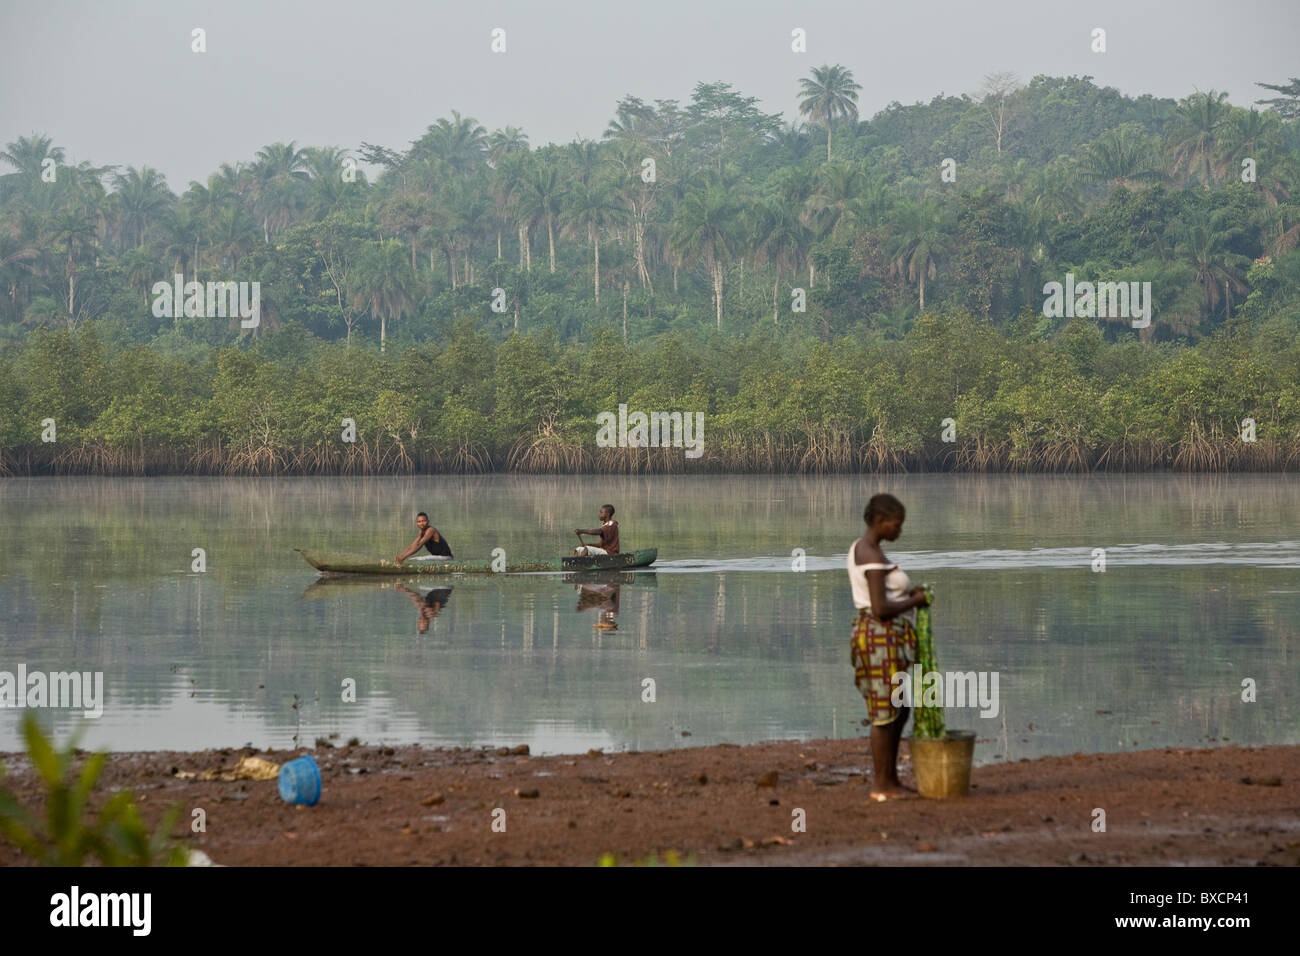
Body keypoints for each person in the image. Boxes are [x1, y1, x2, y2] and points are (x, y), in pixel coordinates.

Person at [848, 493, 929, 802]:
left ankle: (891, 779)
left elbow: (887, 598)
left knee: (900, 707)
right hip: (878, 637)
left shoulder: (871, 550)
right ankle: (882, 785)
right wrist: (915, 601)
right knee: (885, 712)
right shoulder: (868, 553)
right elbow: (880, 607)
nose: (899, 531)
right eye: (897, 525)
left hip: (888, 638)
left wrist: (909, 594)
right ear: (880, 522)